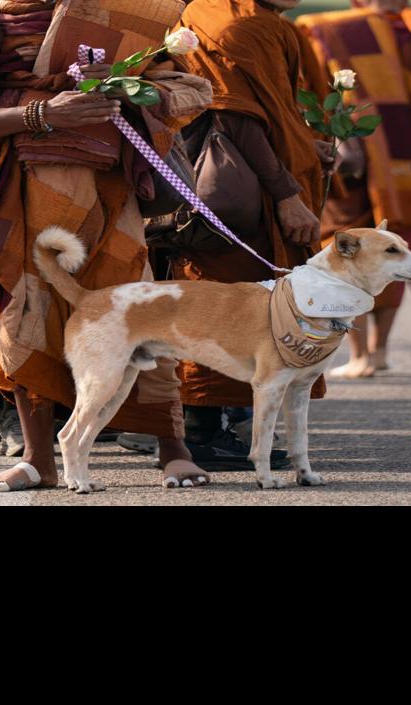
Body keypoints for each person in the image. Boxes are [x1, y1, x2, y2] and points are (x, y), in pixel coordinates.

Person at [0, 0, 217, 492]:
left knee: (137, 310)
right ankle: (38, 459)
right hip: (18, 193)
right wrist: (42, 112)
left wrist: (127, 86)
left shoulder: (117, 13)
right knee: (26, 313)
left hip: (111, 196)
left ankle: (174, 448)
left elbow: (185, 90)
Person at [165, 0, 326, 469]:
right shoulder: (234, 26)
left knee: (238, 300)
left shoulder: (253, 20)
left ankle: (212, 426)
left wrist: (304, 145)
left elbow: (270, 112)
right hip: (241, 190)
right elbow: (234, 117)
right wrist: (286, 194)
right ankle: (200, 430)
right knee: (227, 299)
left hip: (251, 177)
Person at [297, 0, 411, 378]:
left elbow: (308, 88)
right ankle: (377, 352)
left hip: (350, 154)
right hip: (404, 157)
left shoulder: (323, 28)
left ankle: (361, 355)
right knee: (395, 251)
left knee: (351, 252)